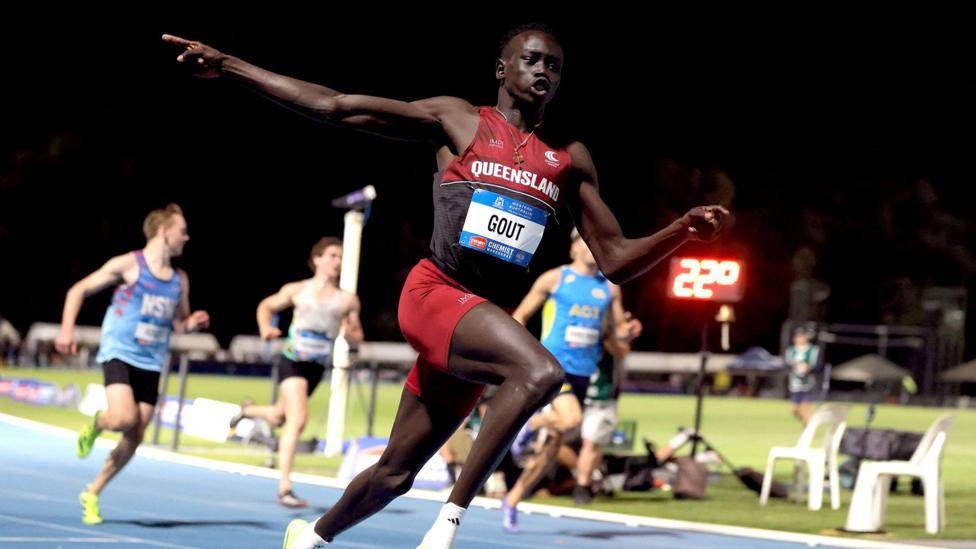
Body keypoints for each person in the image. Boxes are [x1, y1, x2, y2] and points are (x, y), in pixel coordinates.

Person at [163, 24, 728, 549]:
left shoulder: (567, 161)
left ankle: (310, 537)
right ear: (502, 69)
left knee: (395, 473)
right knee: (541, 372)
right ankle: (449, 525)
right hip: (435, 294)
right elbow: (334, 105)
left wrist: (680, 230)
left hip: (479, 323)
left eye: (554, 66)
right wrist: (232, 65)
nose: (544, 72)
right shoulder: (458, 120)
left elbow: (616, 260)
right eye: (531, 59)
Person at [55, 203, 210, 525]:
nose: (187, 237)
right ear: (164, 231)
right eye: (182, 230)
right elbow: (78, 290)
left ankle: (92, 492)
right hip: (120, 352)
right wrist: (67, 329)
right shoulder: (129, 264)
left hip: (152, 363)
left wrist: (191, 322)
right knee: (122, 418)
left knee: (135, 435)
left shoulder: (180, 280)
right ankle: (98, 423)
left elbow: (178, 323)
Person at [500, 229, 629, 532]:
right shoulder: (554, 279)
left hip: (583, 374)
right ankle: (530, 427)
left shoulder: (609, 290)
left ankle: (513, 499)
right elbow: (519, 317)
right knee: (572, 421)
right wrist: (525, 357)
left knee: (553, 449)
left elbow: (615, 338)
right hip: (552, 367)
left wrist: (626, 336)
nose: (594, 247)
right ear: (573, 248)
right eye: (588, 241)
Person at [230, 237, 364, 508]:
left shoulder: (347, 300)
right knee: (298, 418)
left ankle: (249, 411)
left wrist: (351, 336)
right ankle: (285, 487)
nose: (337, 261)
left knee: (280, 416)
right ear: (316, 260)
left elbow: (358, 335)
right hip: (292, 361)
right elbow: (265, 306)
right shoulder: (297, 290)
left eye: (340, 257)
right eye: (332, 256)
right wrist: (266, 328)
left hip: (316, 367)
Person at [575, 312, 642, 504]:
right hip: (576, 394)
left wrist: (617, 332)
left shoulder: (608, 336)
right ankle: (584, 482)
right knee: (562, 436)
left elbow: (621, 349)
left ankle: (583, 484)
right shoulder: (576, 331)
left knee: (593, 443)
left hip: (601, 397)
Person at [784, 326, 820, 424]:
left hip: (808, 383)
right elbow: (787, 364)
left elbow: (817, 366)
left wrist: (808, 368)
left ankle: (808, 425)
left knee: (806, 407)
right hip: (795, 384)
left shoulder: (813, 350)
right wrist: (795, 365)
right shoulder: (791, 351)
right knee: (794, 409)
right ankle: (806, 423)